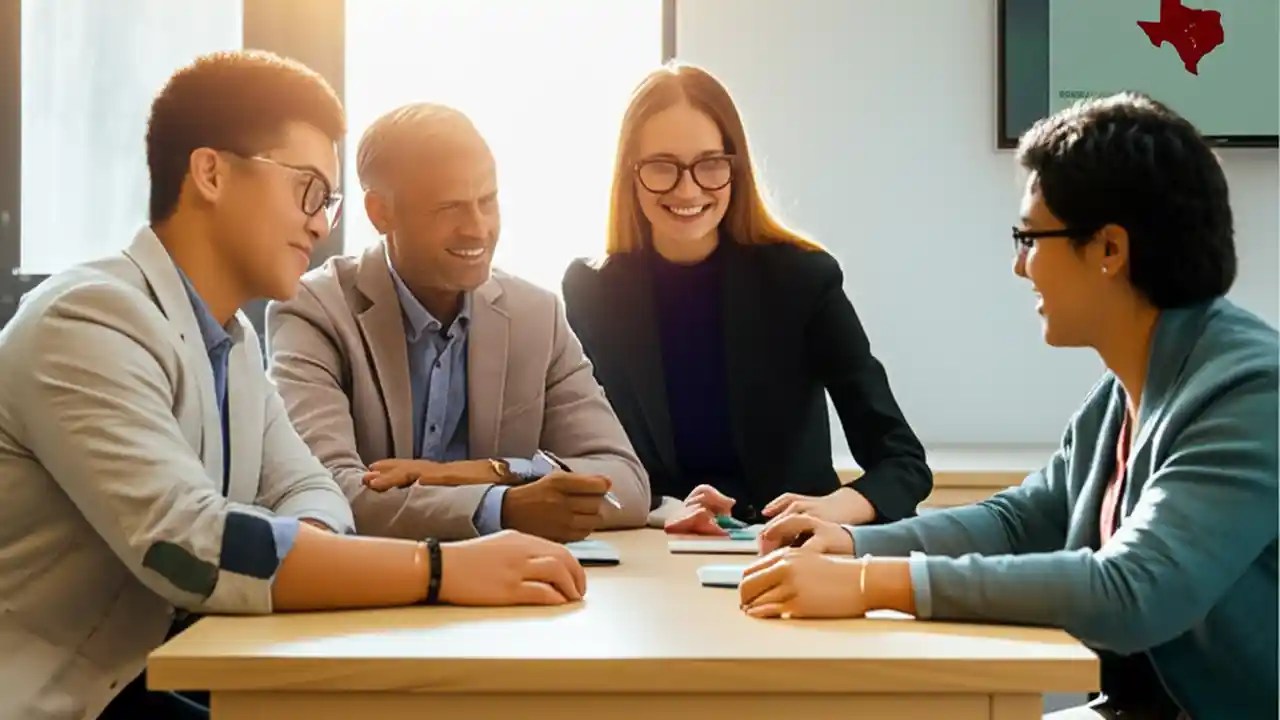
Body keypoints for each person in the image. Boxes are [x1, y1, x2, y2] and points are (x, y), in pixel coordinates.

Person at [0, 51, 585, 720]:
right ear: (211, 172)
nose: (321, 223)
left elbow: (309, 489)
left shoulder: (233, 344)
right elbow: (188, 549)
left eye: (328, 202)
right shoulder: (89, 319)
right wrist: (442, 570)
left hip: (122, 687)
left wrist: (294, 556)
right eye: (308, 189)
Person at [741, 93, 1277, 720]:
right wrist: (855, 544)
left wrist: (868, 585)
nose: (1019, 266)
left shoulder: (1251, 392)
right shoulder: (1125, 393)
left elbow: (1135, 590)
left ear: (1109, 249)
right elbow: (1019, 522)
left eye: (1029, 237)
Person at [561, 63, 931, 533]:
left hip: (789, 549)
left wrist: (836, 508)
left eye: (710, 164)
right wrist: (665, 508)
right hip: (657, 550)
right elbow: (579, 460)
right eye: (662, 166)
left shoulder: (803, 279)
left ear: (736, 168)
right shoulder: (591, 290)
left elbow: (902, 462)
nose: (688, 188)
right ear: (630, 174)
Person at [266, 103, 650, 544]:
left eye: (487, 201)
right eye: (449, 208)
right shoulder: (315, 311)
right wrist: (501, 508)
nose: (478, 228)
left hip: (509, 597)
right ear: (380, 213)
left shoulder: (535, 316)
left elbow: (626, 484)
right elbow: (325, 492)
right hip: (368, 596)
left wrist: (483, 474)